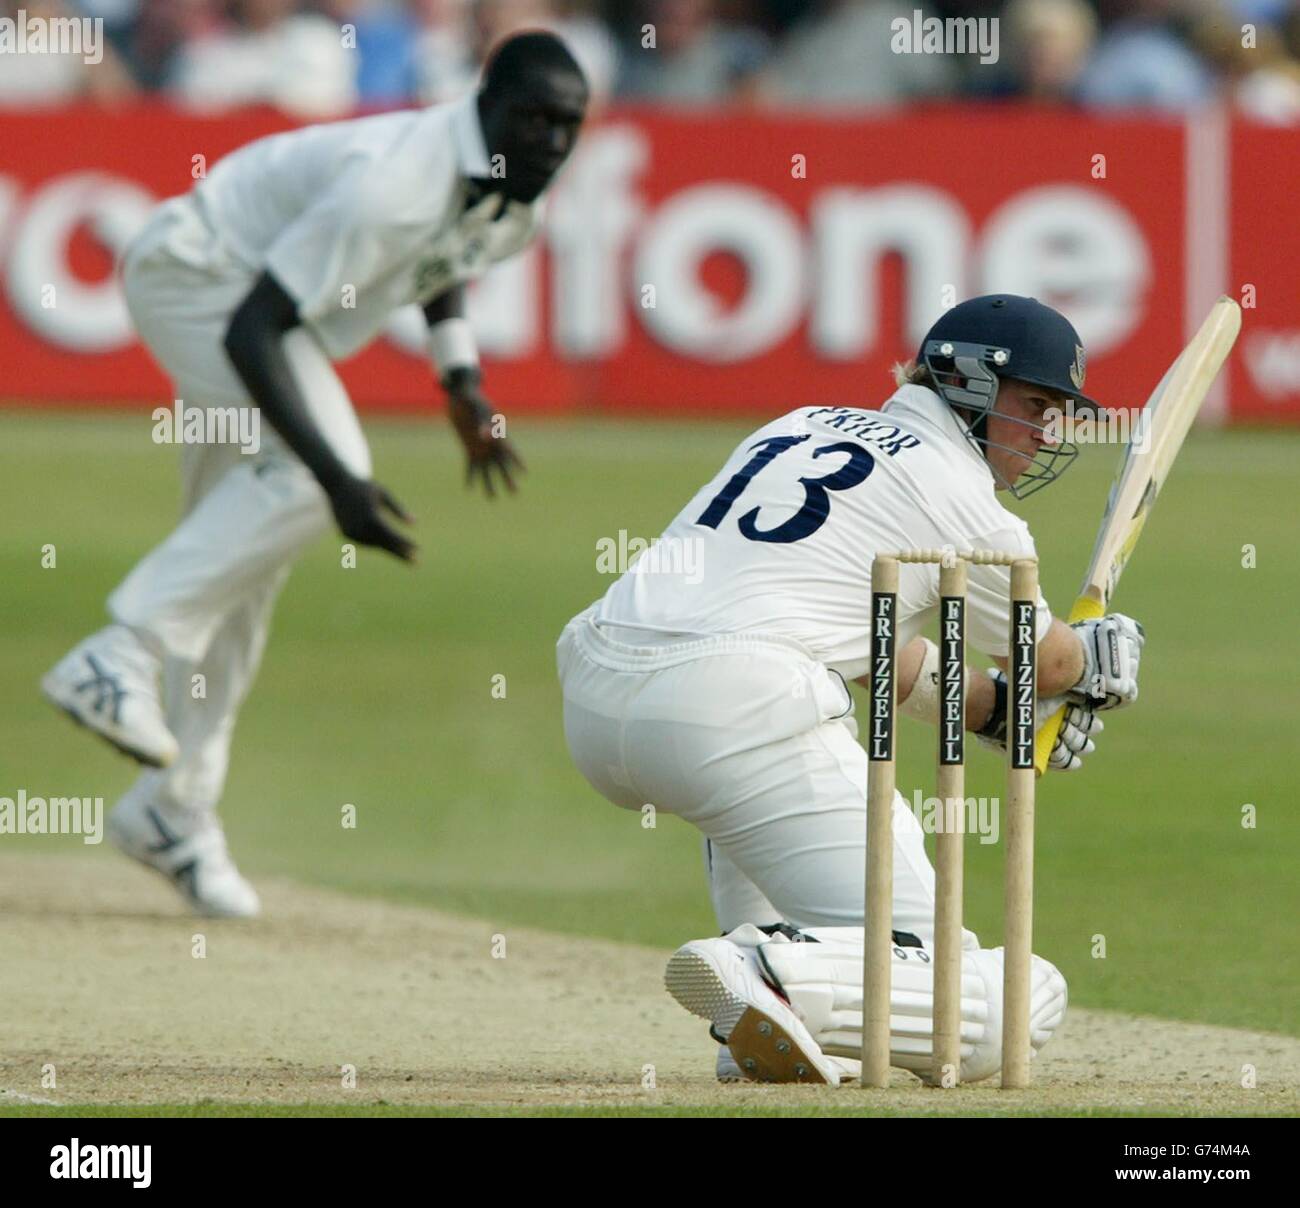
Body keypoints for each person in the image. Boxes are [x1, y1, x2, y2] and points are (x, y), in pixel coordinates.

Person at [42, 31, 589, 918]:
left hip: (243, 308)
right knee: (304, 478)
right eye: (535, 120)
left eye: (569, 125)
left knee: (239, 574)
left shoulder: (508, 194)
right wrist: (341, 488)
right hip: (197, 277)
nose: (552, 143)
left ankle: (172, 809)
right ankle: (119, 653)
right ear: (485, 105)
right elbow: (251, 331)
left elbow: (442, 266)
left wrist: (462, 384)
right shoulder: (395, 181)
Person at [557, 295, 1145, 1084]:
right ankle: (768, 971)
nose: (1046, 433)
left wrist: (999, 710)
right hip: (733, 712)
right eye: (1036, 405)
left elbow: (870, 648)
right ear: (968, 383)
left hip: (603, 693)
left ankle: (773, 1009)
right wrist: (1105, 660)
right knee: (975, 1013)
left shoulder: (801, 423)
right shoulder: (959, 495)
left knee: (864, 944)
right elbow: (1054, 659)